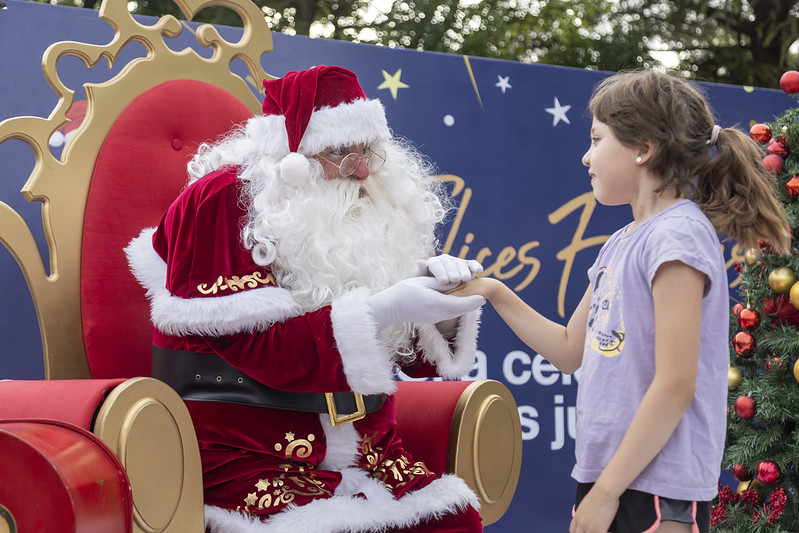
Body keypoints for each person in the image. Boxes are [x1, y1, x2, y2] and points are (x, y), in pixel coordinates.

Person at [125, 65, 487, 533]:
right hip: (246, 447)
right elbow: (255, 347)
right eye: (340, 152)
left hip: (366, 445)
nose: (360, 169)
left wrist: (438, 302)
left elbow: (418, 364)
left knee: (451, 521)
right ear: (290, 156)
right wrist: (382, 308)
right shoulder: (224, 200)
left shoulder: (367, 195)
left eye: (368, 151)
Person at [449, 69, 791, 533]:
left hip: (657, 488)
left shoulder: (678, 236)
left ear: (643, 149)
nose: (586, 157)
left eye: (596, 139)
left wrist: (608, 492)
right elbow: (571, 350)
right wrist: (491, 290)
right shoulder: (622, 242)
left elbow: (675, 384)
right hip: (607, 478)